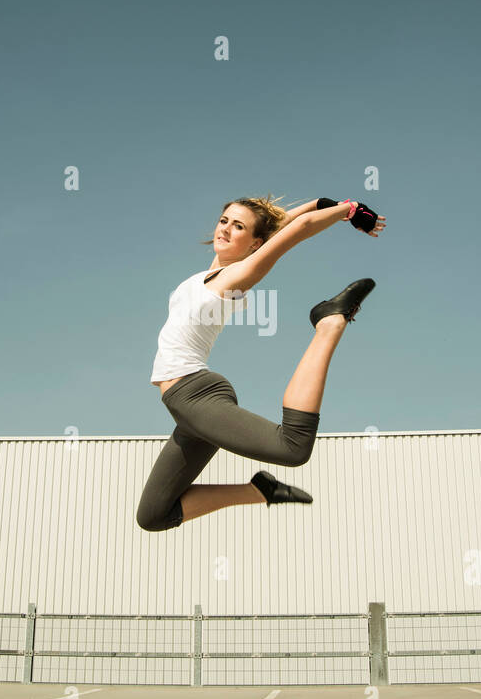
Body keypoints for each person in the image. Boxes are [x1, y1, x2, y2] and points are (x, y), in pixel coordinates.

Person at [135, 194, 386, 531]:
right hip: (187, 405)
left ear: (253, 244)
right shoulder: (211, 273)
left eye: (237, 226)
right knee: (153, 516)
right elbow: (276, 227)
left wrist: (348, 210)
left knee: (293, 448)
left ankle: (328, 323)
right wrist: (315, 203)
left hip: (194, 394)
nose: (225, 229)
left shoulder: (235, 277)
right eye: (224, 220)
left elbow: (293, 232)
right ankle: (259, 490)